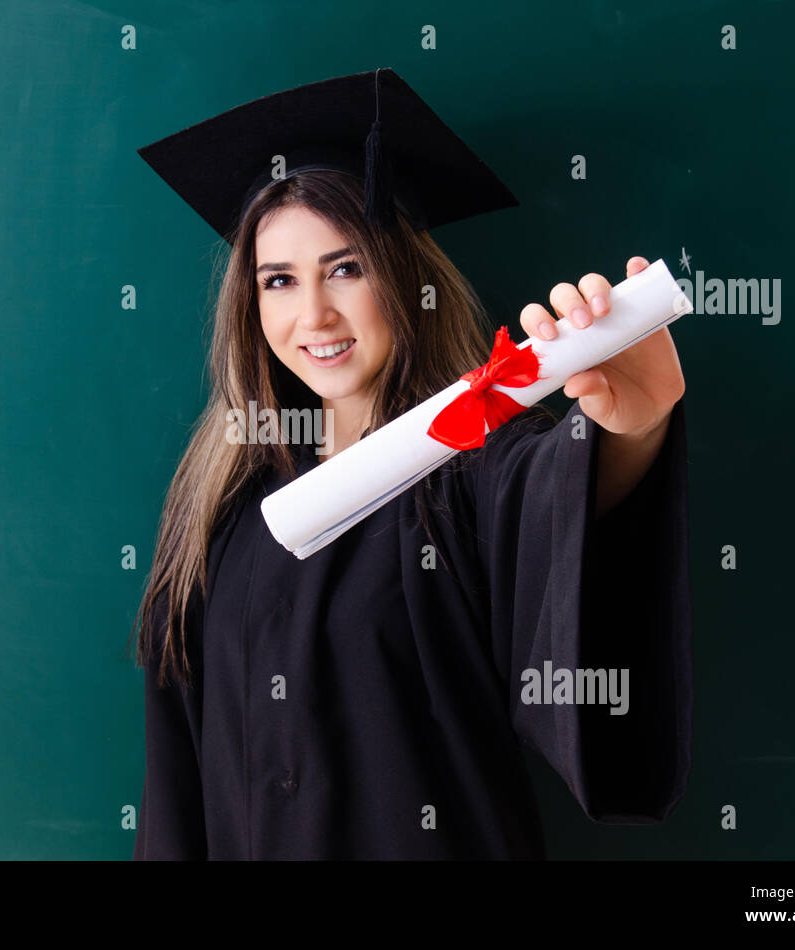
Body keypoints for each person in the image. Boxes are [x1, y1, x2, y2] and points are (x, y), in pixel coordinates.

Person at [127, 67, 692, 859]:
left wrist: (630, 433)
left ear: (406, 276)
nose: (314, 315)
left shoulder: (471, 467)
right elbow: (177, 796)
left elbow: (561, 505)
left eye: (347, 267)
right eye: (279, 281)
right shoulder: (217, 517)